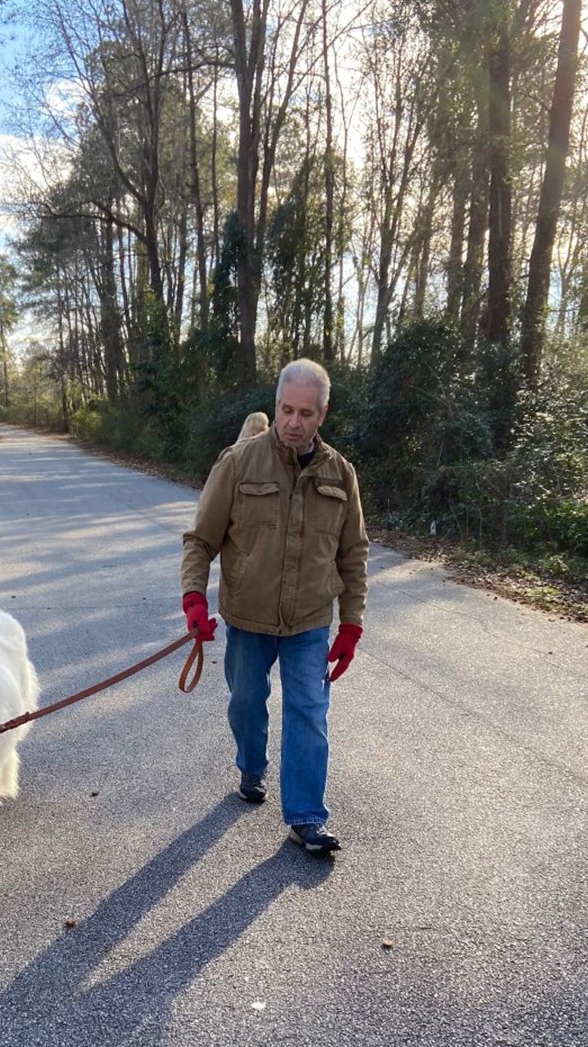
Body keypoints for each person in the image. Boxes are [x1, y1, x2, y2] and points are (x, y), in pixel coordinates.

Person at [181, 358, 369, 855]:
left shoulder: (341, 474)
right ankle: (251, 766)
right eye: (286, 410)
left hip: (309, 621)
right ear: (276, 404)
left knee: (309, 711)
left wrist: (351, 626)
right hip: (248, 617)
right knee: (246, 702)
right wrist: (194, 598)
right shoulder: (238, 462)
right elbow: (200, 539)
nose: (293, 422)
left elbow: (354, 554)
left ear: (322, 414)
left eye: (306, 413)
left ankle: (306, 817)